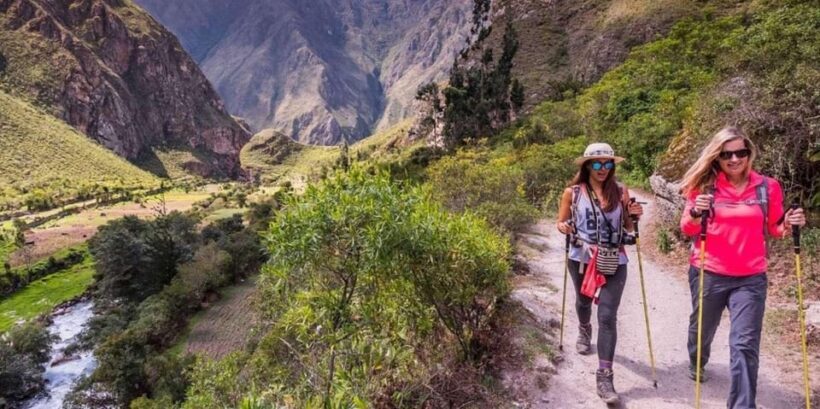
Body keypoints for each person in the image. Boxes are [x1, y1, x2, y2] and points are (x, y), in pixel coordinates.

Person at [679, 126, 806, 408]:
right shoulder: (704, 187)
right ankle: (697, 358)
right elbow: (687, 226)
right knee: (703, 328)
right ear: (717, 157)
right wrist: (697, 211)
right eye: (727, 154)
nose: (734, 159)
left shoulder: (766, 186)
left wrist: (790, 223)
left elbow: (774, 228)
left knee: (744, 345)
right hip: (708, 272)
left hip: (750, 278)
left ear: (749, 154)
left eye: (741, 153)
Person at [556, 142, 643, 404]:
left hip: (614, 258)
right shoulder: (572, 193)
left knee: (607, 315)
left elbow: (628, 227)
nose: (603, 168)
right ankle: (584, 328)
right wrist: (564, 227)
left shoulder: (621, 191)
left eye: (608, 164)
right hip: (581, 257)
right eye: (597, 163)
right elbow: (560, 221)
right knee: (583, 302)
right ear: (587, 166)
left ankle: (605, 375)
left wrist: (633, 215)